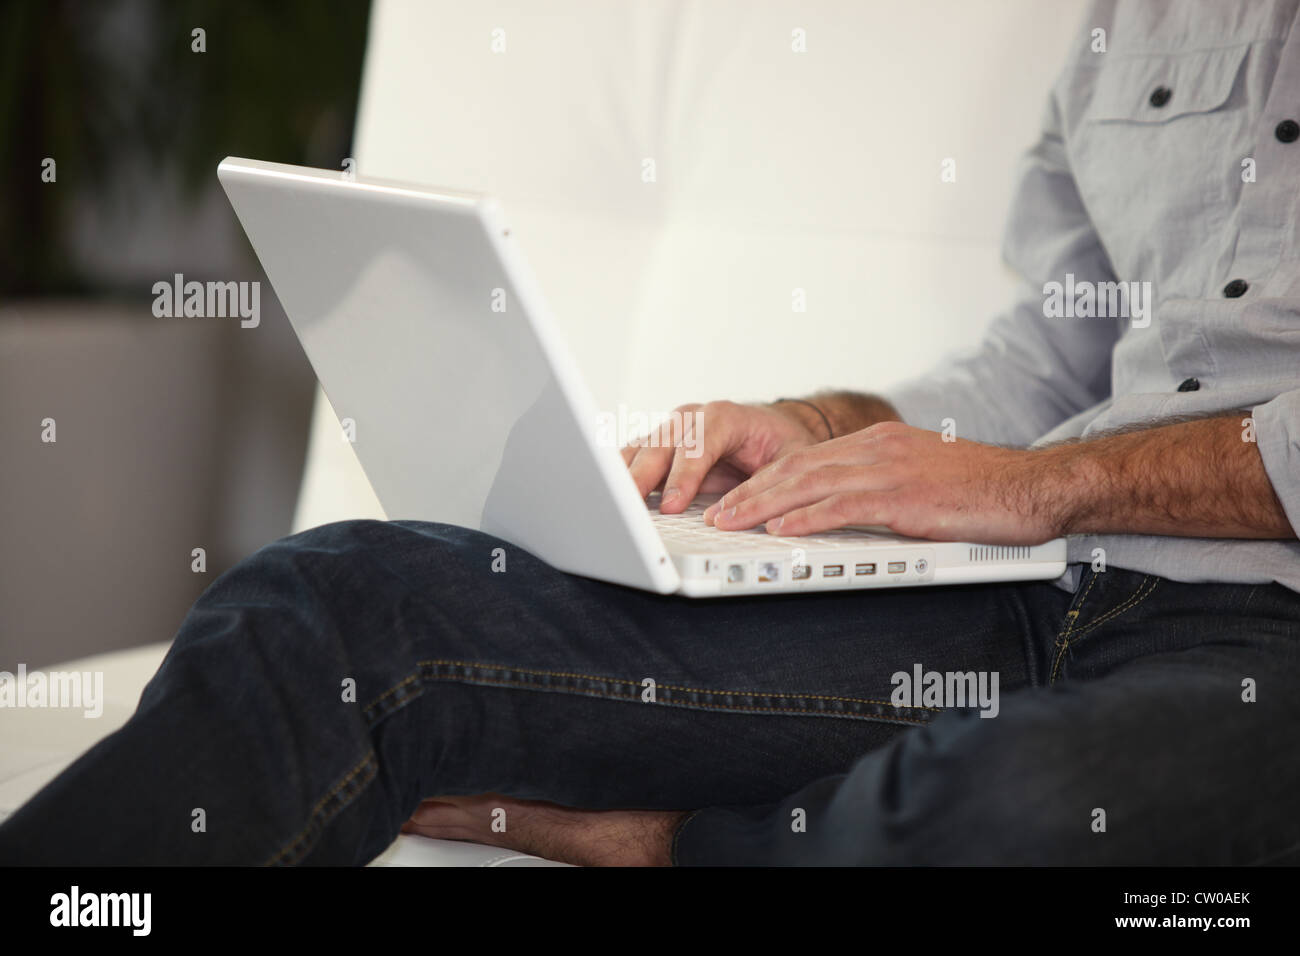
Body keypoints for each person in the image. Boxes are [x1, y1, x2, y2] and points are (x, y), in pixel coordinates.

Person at [2, 0, 1299, 865]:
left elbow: (1051, 466)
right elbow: (1060, 350)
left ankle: (677, 839)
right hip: (1040, 586)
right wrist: (815, 426)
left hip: (1262, 631)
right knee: (349, 603)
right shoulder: (1143, 16)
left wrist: (1042, 489)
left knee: (1009, 812)